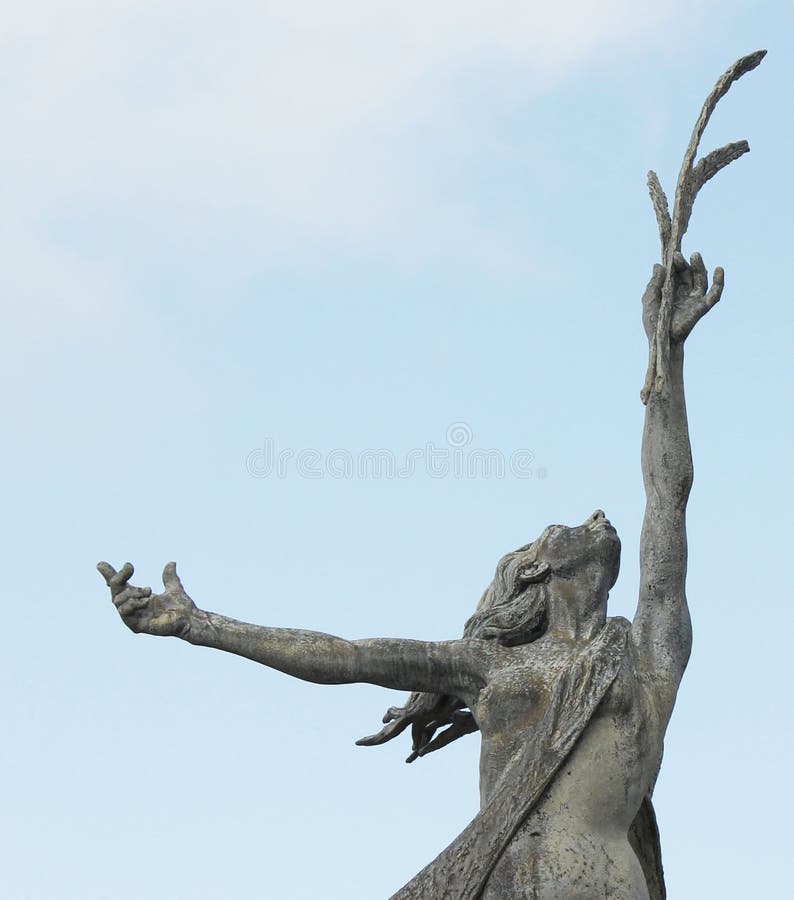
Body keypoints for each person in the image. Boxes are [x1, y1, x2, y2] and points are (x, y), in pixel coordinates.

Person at [99, 252, 721, 899]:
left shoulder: (646, 652)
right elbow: (347, 657)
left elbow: (668, 497)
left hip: (616, 881)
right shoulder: (486, 665)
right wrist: (201, 624)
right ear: (535, 567)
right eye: (561, 524)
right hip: (510, 878)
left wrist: (664, 354)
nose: (596, 516)